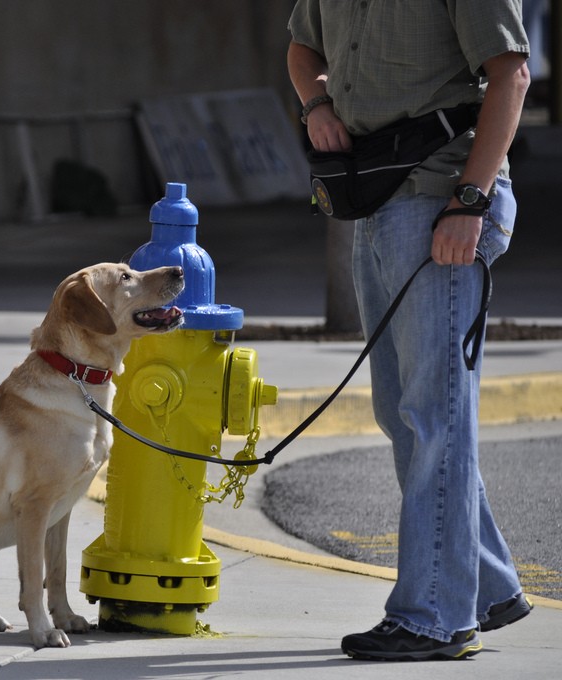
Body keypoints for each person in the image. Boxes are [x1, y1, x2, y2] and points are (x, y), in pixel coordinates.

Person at [286, 0, 532, 662]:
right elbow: (303, 49)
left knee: (435, 416)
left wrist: (471, 200)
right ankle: (487, 587)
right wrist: (317, 105)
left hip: (442, 197)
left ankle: (435, 617)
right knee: (405, 412)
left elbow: (510, 75)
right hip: (374, 196)